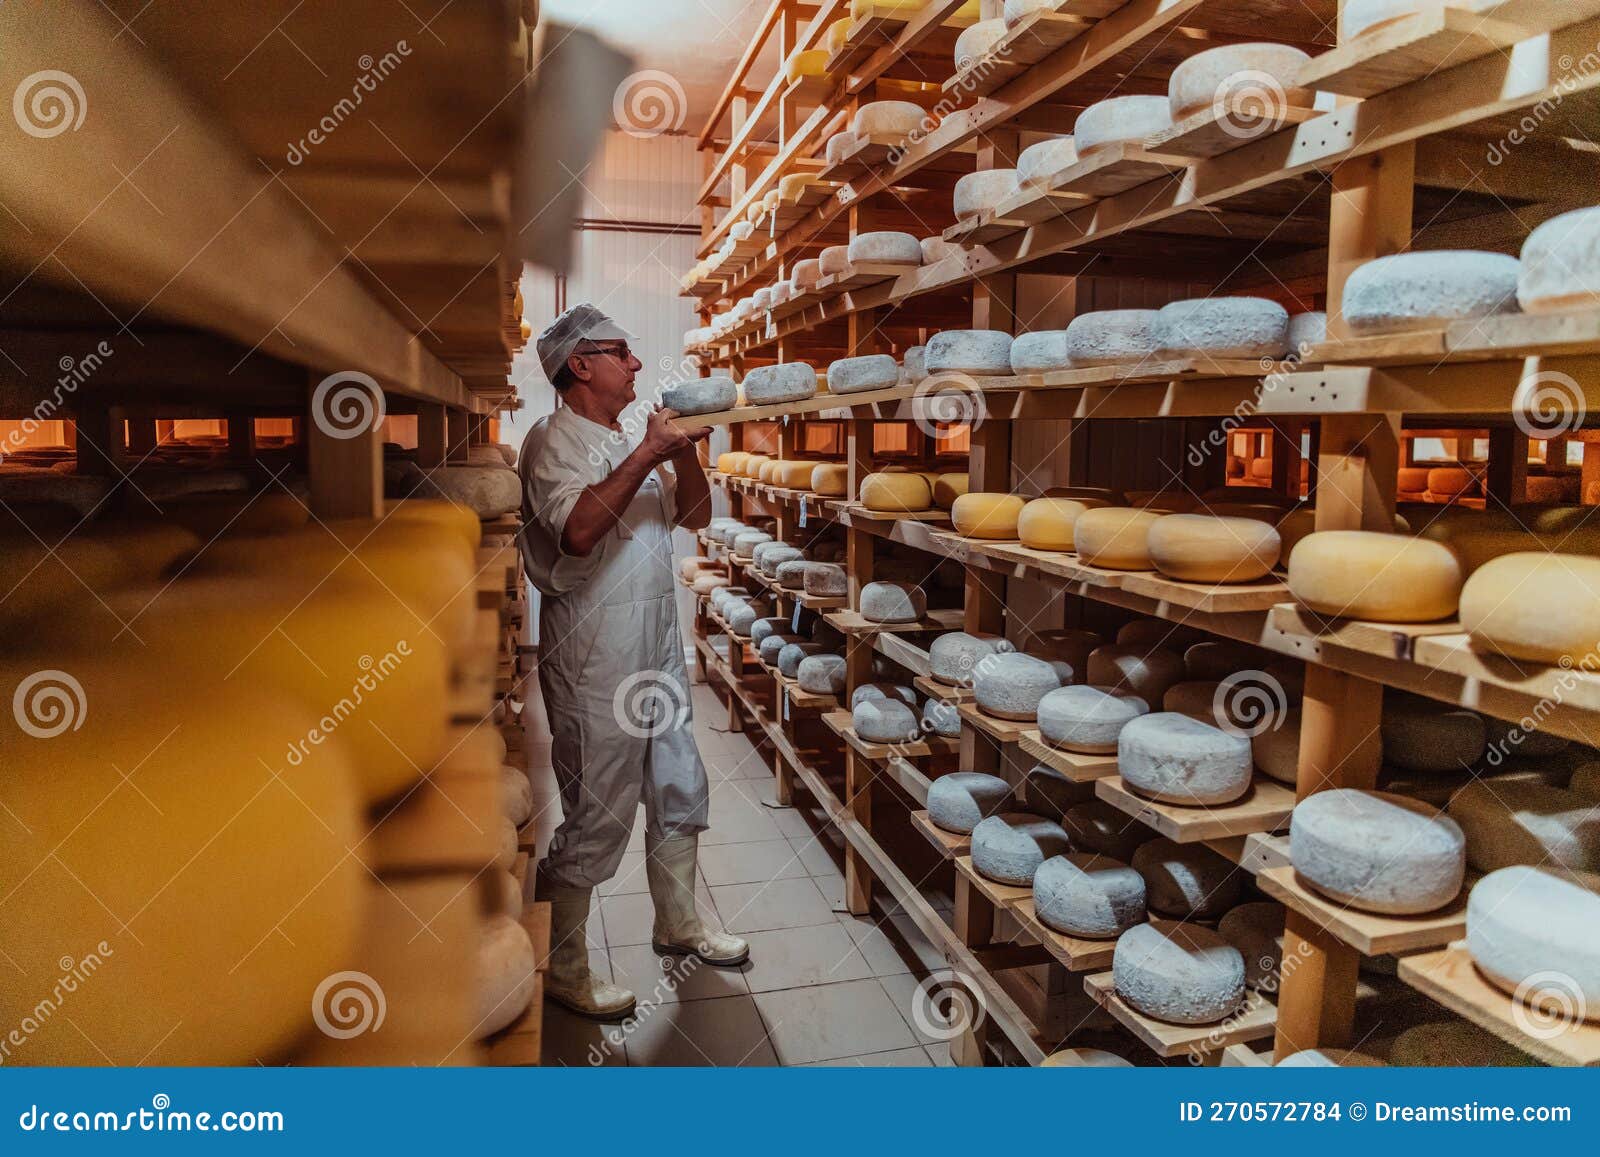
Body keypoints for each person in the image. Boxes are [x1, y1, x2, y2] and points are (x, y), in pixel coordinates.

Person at [517, 303, 749, 1021]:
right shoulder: (554, 440)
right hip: (594, 654)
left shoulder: (628, 438)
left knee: (678, 780)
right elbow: (581, 531)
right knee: (599, 804)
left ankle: (677, 922)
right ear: (580, 365)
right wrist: (647, 452)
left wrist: (679, 449)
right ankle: (564, 964)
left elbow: (698, 516)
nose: (638, 365)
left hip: (653, 644)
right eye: (622, 352)